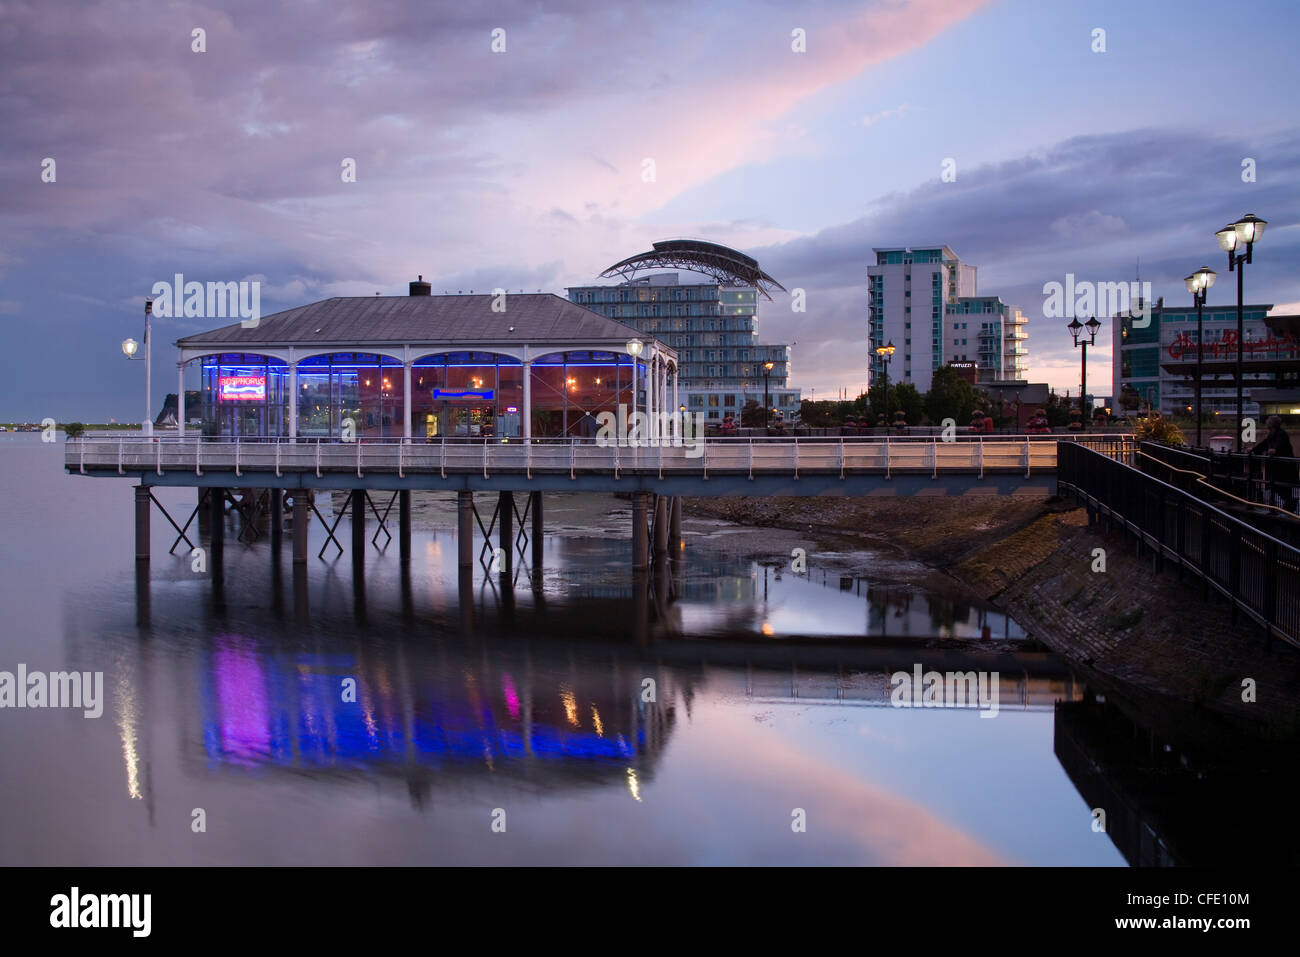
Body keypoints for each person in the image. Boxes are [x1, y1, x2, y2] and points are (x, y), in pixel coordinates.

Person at [1249, 415, 1298, 512]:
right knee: (1278, 486)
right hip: (1280, 467)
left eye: (1268, 422)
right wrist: (1254, 449)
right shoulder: (1273, 434)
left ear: (1271, 424)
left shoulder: (1280, 434)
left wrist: (1274, 450)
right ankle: (1288, 505)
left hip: (1284, 467)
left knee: (1281, 486)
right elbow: (1264, 443)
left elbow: (1279, 444)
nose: (1266, 423)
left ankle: (1289, 505)